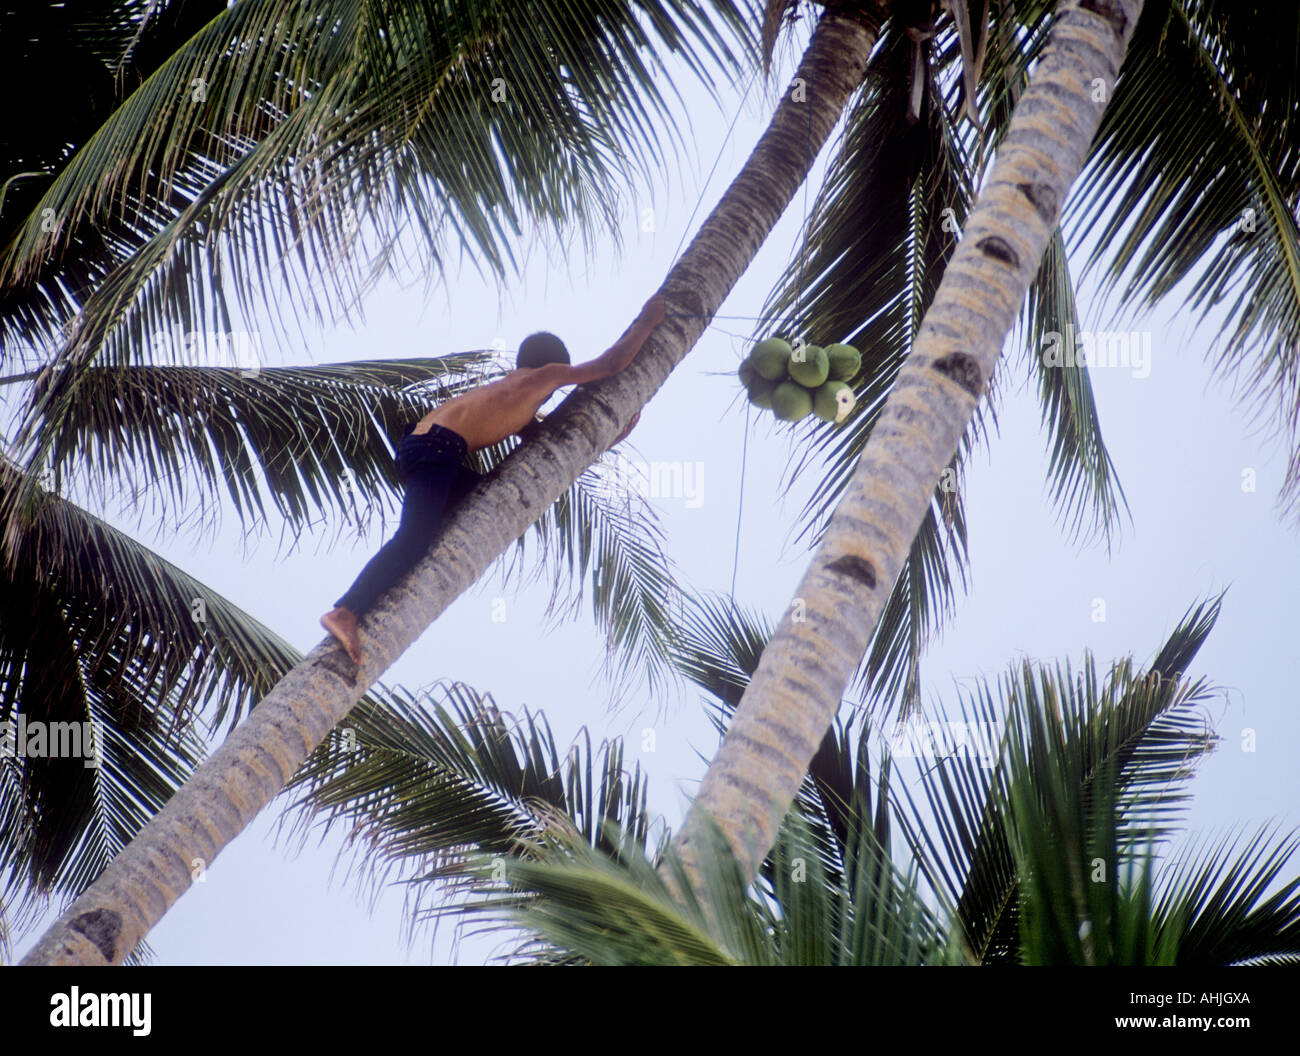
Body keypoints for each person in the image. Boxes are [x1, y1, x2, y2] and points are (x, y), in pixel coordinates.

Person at [320, 293, 666, 665]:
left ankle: (362, 602)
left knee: (487, 495)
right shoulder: (543, 377)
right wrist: (648, 321)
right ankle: (346, 611)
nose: (552, 394)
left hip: (426, 449)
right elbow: (611, 364)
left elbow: (554, 444)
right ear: (551, 368)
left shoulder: (510, 394)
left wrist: (613, 436)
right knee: (413, 540)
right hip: (438, 450)